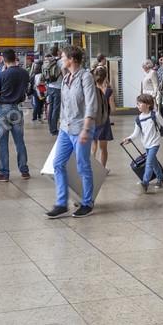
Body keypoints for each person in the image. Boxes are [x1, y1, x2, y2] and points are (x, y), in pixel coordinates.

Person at [46, 46, 97, 219]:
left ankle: (87, 203)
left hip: (81, 128)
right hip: (65, 129)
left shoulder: (86, 77)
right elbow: (64, 105)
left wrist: (86, 129)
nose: (61, 59)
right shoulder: (66, 77)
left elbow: (91, 104)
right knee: (58, 163)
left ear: (72, 59)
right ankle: (61, 203)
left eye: (63, 57)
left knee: (83, 166)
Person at [123, 93, 163, 192]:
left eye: (140, 103)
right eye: (137, 104)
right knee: (153, 163)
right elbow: (136, 133)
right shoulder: (138, 119)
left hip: (155, 143)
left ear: (148, 104)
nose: (138, 106)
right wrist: (129, 139)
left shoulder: (155, 115)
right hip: (146, 144)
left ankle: (145, 182)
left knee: (149, 163)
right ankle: (160, 178)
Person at [0, 49, 30, 182]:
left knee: (3, 142)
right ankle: (24, 170)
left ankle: (4, 172)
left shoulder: (2, 75)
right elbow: (28, 88)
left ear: (3, 59)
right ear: (15, 58)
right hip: (17, 109)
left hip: (4, 108)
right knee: (19, 141)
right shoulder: (24, 73)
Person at [93, 65, 114, 171]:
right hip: (104, 121)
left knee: (93, 146)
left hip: (93, 120)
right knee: (103, 148)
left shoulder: (92, 89)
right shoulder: (109, 91)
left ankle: (91, 168)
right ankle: (102, 169)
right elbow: (113, 108)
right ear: (106, 77)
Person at [43, 47, 63, 136]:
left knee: (50, 108)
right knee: (56, 109)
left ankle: (50, 127)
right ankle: (54, 129)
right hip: (58, 88)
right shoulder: (61, 61)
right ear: (58, 52)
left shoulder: (48, 61)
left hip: (50, 87)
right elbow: (64, 73)